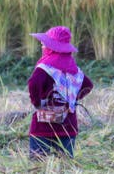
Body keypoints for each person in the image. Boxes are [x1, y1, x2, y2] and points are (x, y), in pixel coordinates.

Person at [27, 26, 93, 158]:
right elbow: (88, 85)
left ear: (51, 48)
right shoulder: (75, 71)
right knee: (65, 168)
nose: (42, 48)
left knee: (37, 169)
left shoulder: (44, 69)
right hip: (68, 127)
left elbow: (33, 84)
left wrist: (38, 103)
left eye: (43, 45)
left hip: (43, 127)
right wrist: (71, 100)